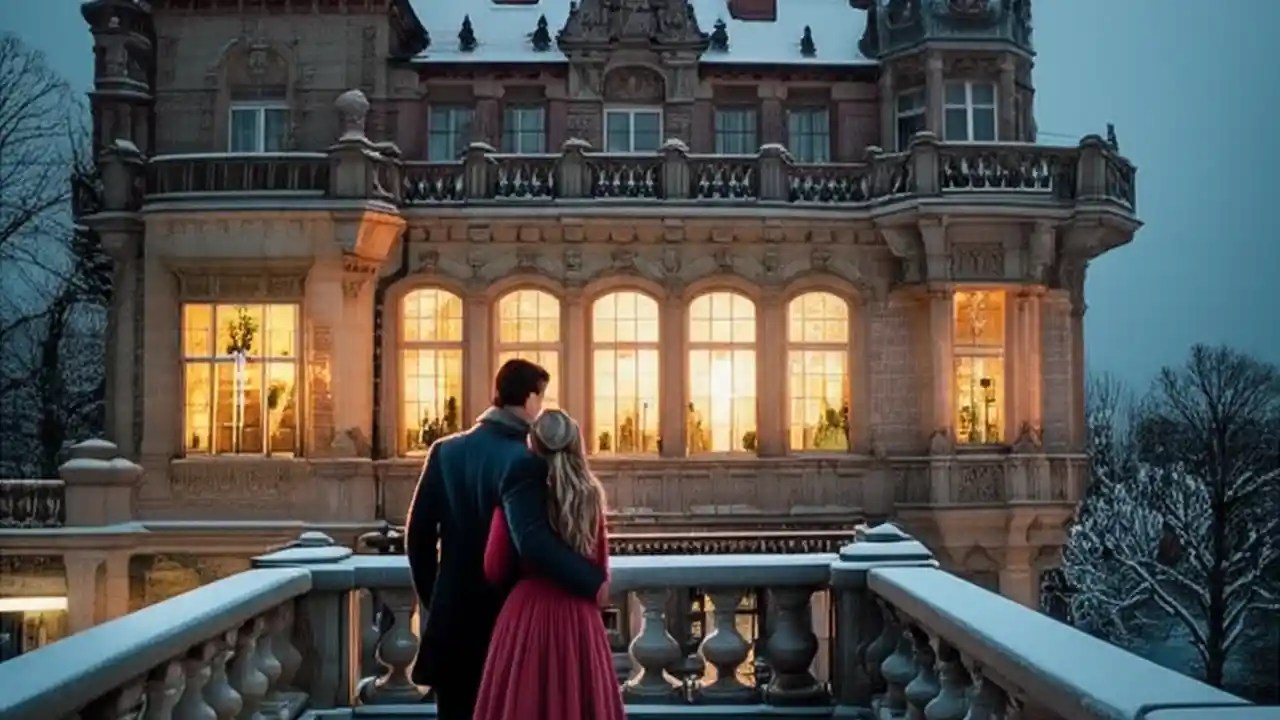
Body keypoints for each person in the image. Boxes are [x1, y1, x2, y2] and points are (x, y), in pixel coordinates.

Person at [405, 359, 607, 720]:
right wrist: (591, 581)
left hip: (450, 620)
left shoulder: (444, 451)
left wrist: (434, 599)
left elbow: (417, 537)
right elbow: (532, 540)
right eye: (540, 398)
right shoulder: (526, 460)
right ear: (531, 399)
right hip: (502, 621)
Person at [474, 409, 626, 720]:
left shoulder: (520, 489)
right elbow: (600, 564)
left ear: (534, 445)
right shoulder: (590, 495)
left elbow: (495, 565)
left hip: (527, 617)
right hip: (578, 620)